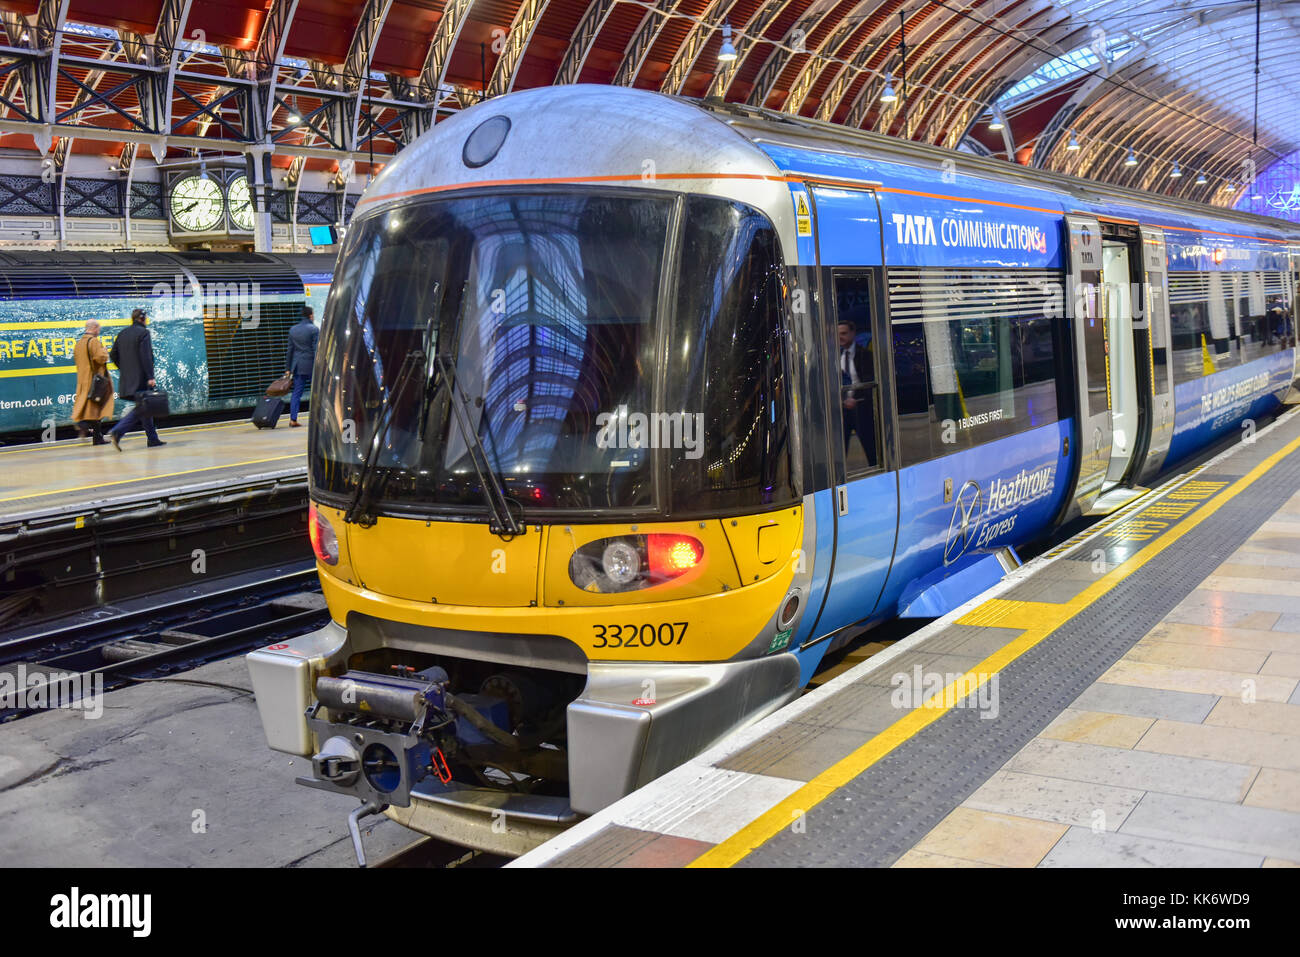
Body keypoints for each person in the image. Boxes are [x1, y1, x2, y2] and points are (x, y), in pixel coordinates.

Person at [108, 308, 164, 450]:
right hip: (141, 379)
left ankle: (152, 439)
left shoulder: (122, 333)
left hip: (127, 379)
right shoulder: (144, 333)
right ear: (142, 319)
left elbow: (113, 354)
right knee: (143, 407)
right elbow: (146, 356)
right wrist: (150, 377)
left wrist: (124, 369)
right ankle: (117, 431)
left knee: (145, 407)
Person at [838, 319, 877, 468]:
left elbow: (869, 382)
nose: (840, 337)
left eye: (844, 333)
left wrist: (855, 399)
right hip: (842, 410)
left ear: (853, 334)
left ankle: (877, 474)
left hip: (861, 408)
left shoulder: (864, 355)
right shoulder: (835, 356)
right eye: (838, 334)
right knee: (840, 448)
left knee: (869, 446)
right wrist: (843, 400)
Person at [72, 319, 113, 445]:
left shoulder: (78, 344)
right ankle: (83, 424)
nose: (99, 331)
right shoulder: (94, 341)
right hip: (94, 382)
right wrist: (105, 352)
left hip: (83, 381)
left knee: (94, 411)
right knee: (96, 408)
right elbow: (100, 358)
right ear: (94, 328)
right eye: (98, 328)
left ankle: (97, 437)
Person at [284, 305, 319, 427]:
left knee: (296, 393)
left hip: (297, 366)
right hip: (310, 365)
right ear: (310, 316)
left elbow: (290, 351)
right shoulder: (314, 329)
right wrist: (319, 366)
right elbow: (316, 350)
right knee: (317, 392)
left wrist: (287, 368)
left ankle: (293, 419)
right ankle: (318, 418)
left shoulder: (293, 330)